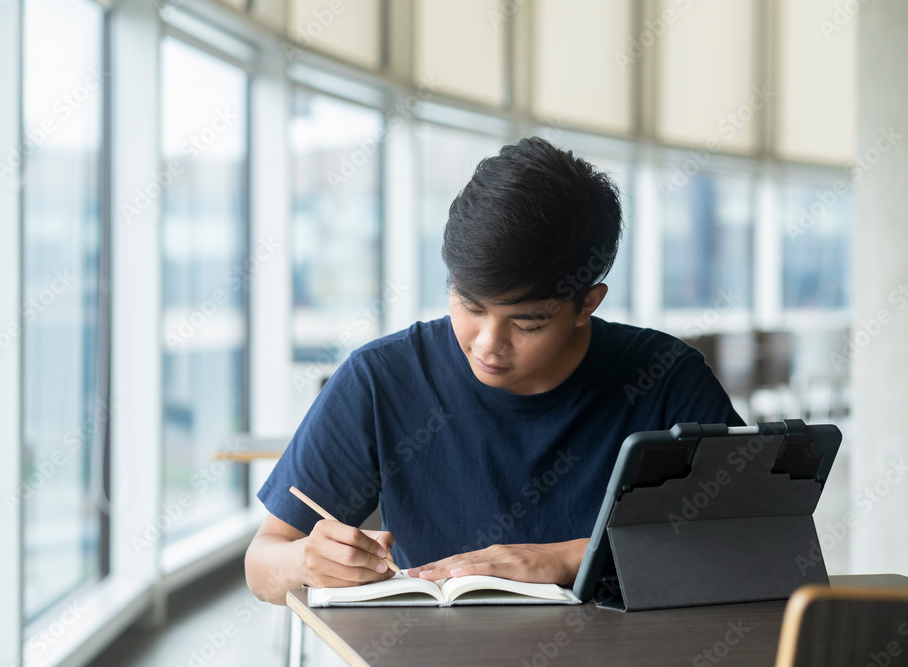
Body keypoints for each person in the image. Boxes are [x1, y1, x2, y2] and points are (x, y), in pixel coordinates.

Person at [245, 136, 743, 604]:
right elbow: (261, 563)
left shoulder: (665, 377)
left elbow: (749, 542)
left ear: (587, 302)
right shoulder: (381, 380)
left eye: (527, 323)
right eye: (469, 305)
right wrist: (302, 561)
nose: (487, 345)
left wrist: (568, 558)